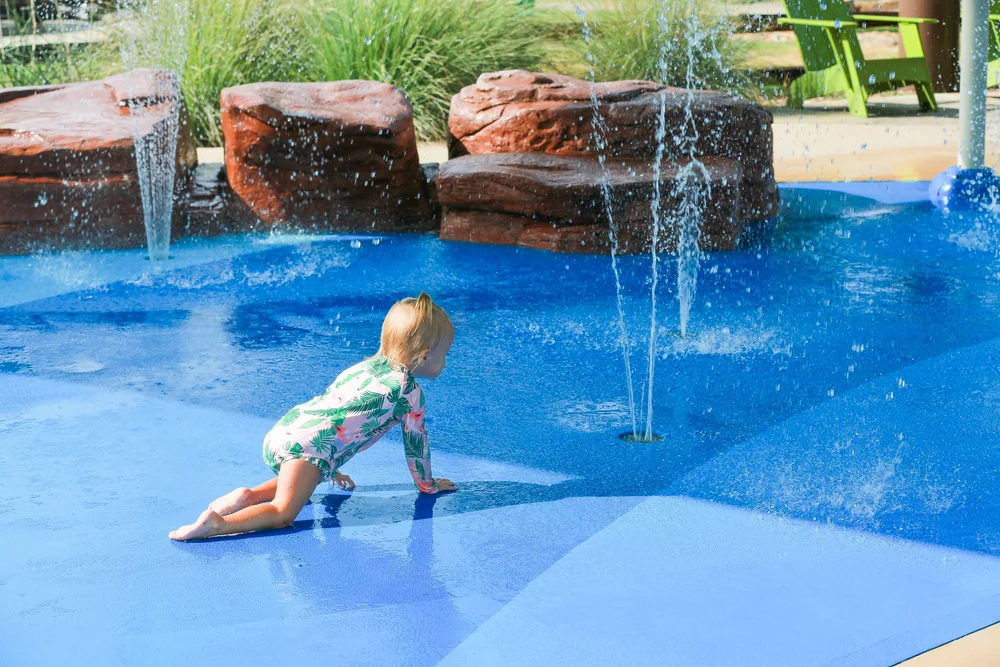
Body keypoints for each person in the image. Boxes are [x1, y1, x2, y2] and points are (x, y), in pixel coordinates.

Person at [169, 292, 456, 541]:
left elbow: (338, 419)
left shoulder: (364, 368)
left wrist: (329, 468)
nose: (445, 362)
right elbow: (417, 447)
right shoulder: (409, 393)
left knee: (305, 480)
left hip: (287, 430)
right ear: (424, 355)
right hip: (308, 450)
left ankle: (248, 496)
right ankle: (219, 524)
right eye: (444, 355)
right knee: (283, 513)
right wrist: (427, 485)